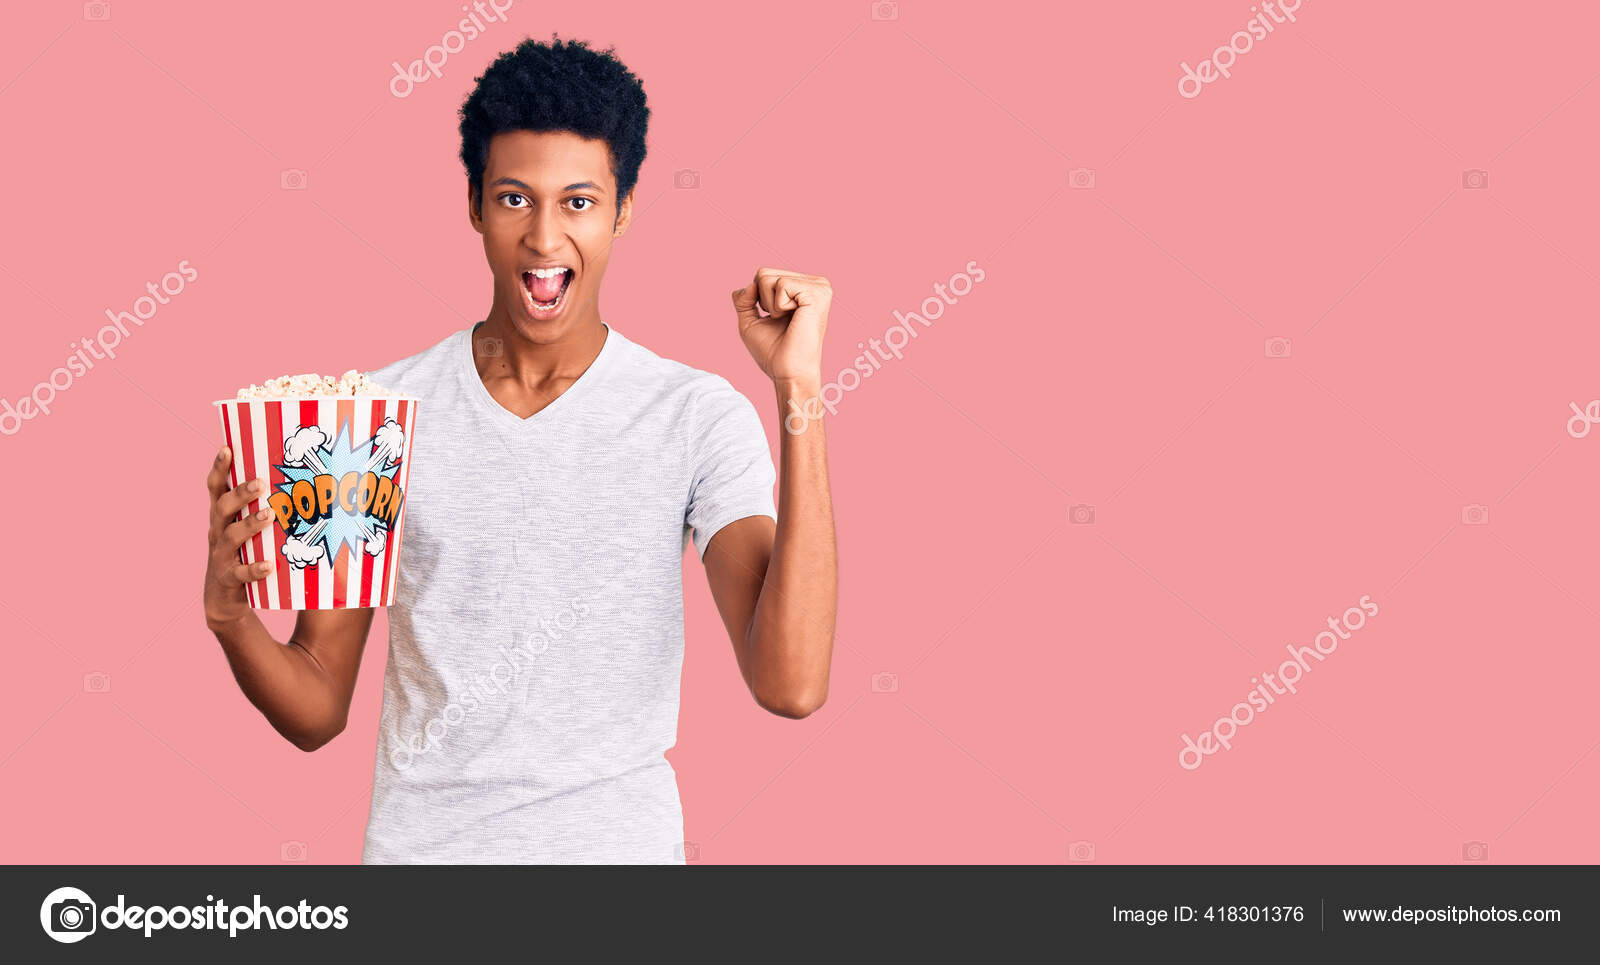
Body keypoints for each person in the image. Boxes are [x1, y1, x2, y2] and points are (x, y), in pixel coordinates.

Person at [201, 34, 838, 863]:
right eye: (514, 199)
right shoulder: (372, 419)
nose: (544, 238)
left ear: (624, 209)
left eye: (578, 201)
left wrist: (800, 389)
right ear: (473, 204)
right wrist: (230, 617)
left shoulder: (694, 415)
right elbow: (318, 705)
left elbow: (790, 683)